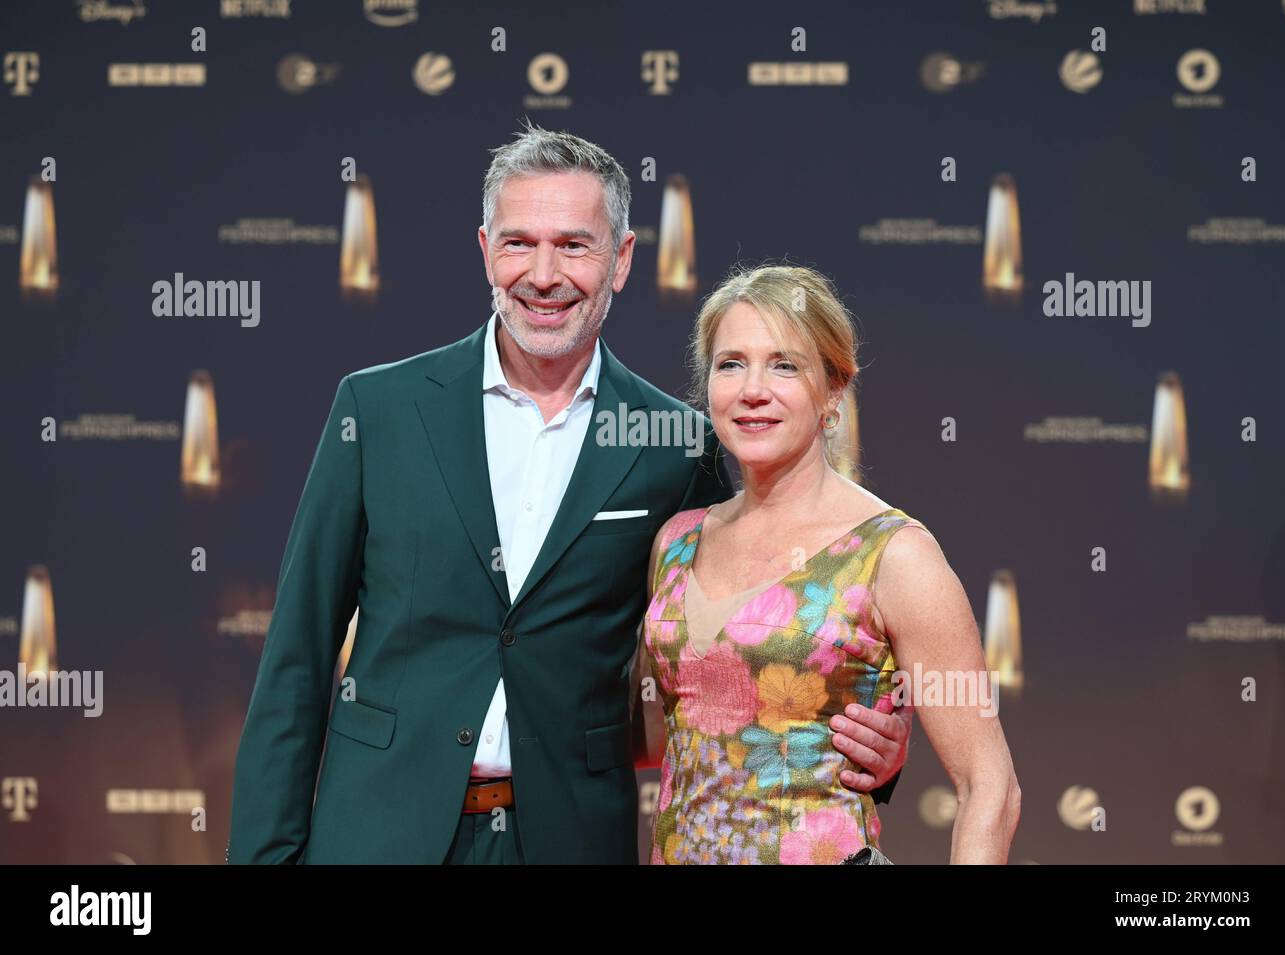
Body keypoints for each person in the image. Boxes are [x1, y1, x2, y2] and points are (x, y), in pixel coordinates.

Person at [228, 123, 911, 865]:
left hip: (569, 839)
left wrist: (872, 736)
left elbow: (766, 624)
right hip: (376, 834)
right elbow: (296, 657)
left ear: (619, 261)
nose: (544, 274)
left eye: (574, 245)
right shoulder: (380, 410)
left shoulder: (675, 444)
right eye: (520, 242)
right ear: (486, 249)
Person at [643, 264, 1021, 864]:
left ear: (833, 392)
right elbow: (664, 732)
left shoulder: (894, 556)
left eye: (785, 365)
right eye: (731, 363)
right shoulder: (677, 543)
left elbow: (989, 785)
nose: (753, 390)